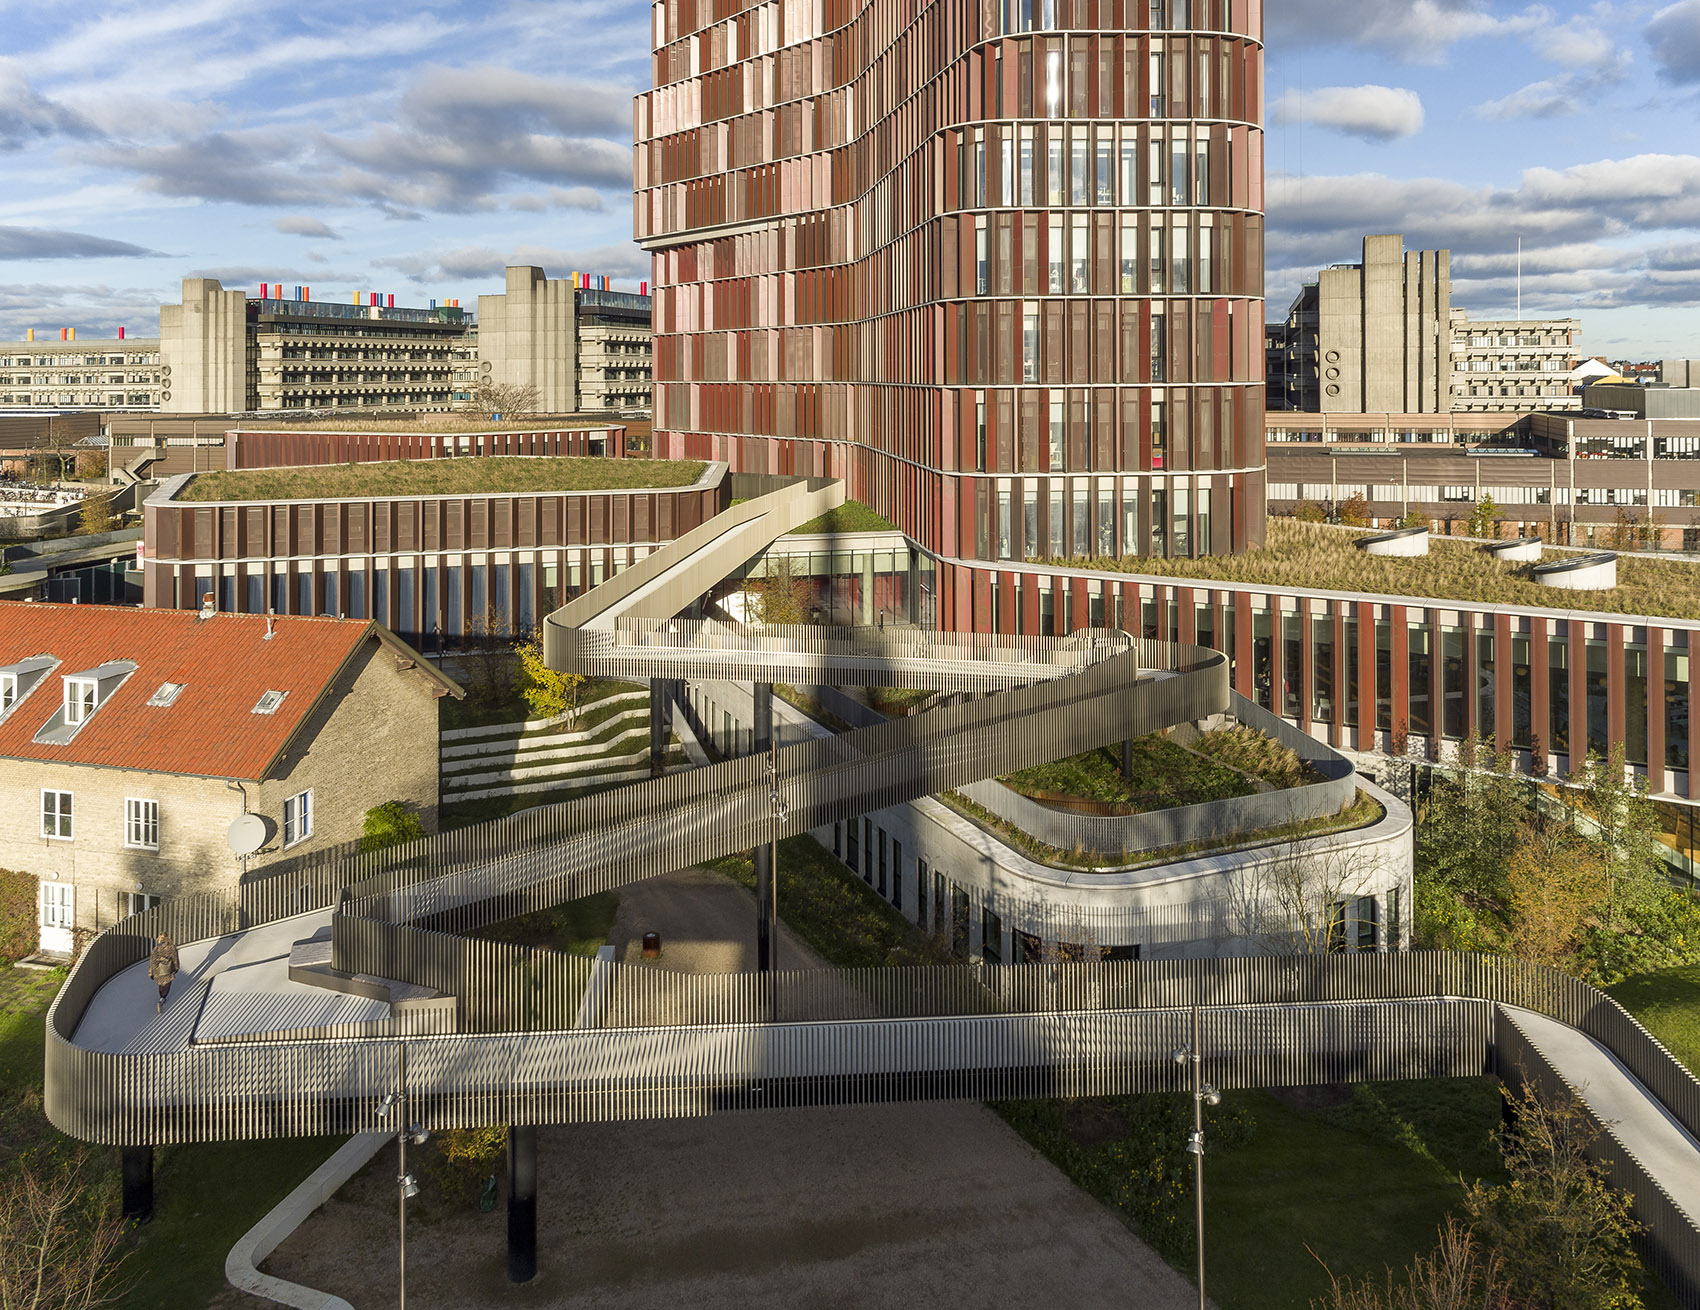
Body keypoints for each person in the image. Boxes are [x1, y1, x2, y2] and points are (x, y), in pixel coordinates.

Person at [147, 933, 179, 1014]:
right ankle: (163, 998)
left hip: (158, 970)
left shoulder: (156, 949)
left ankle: (161, 997)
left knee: (161, 985)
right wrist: (176, 967)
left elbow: (152, 961)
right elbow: (175, 958)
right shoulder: (171, 948)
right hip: (168, 969)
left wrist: (151, 972)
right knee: (167, 984)